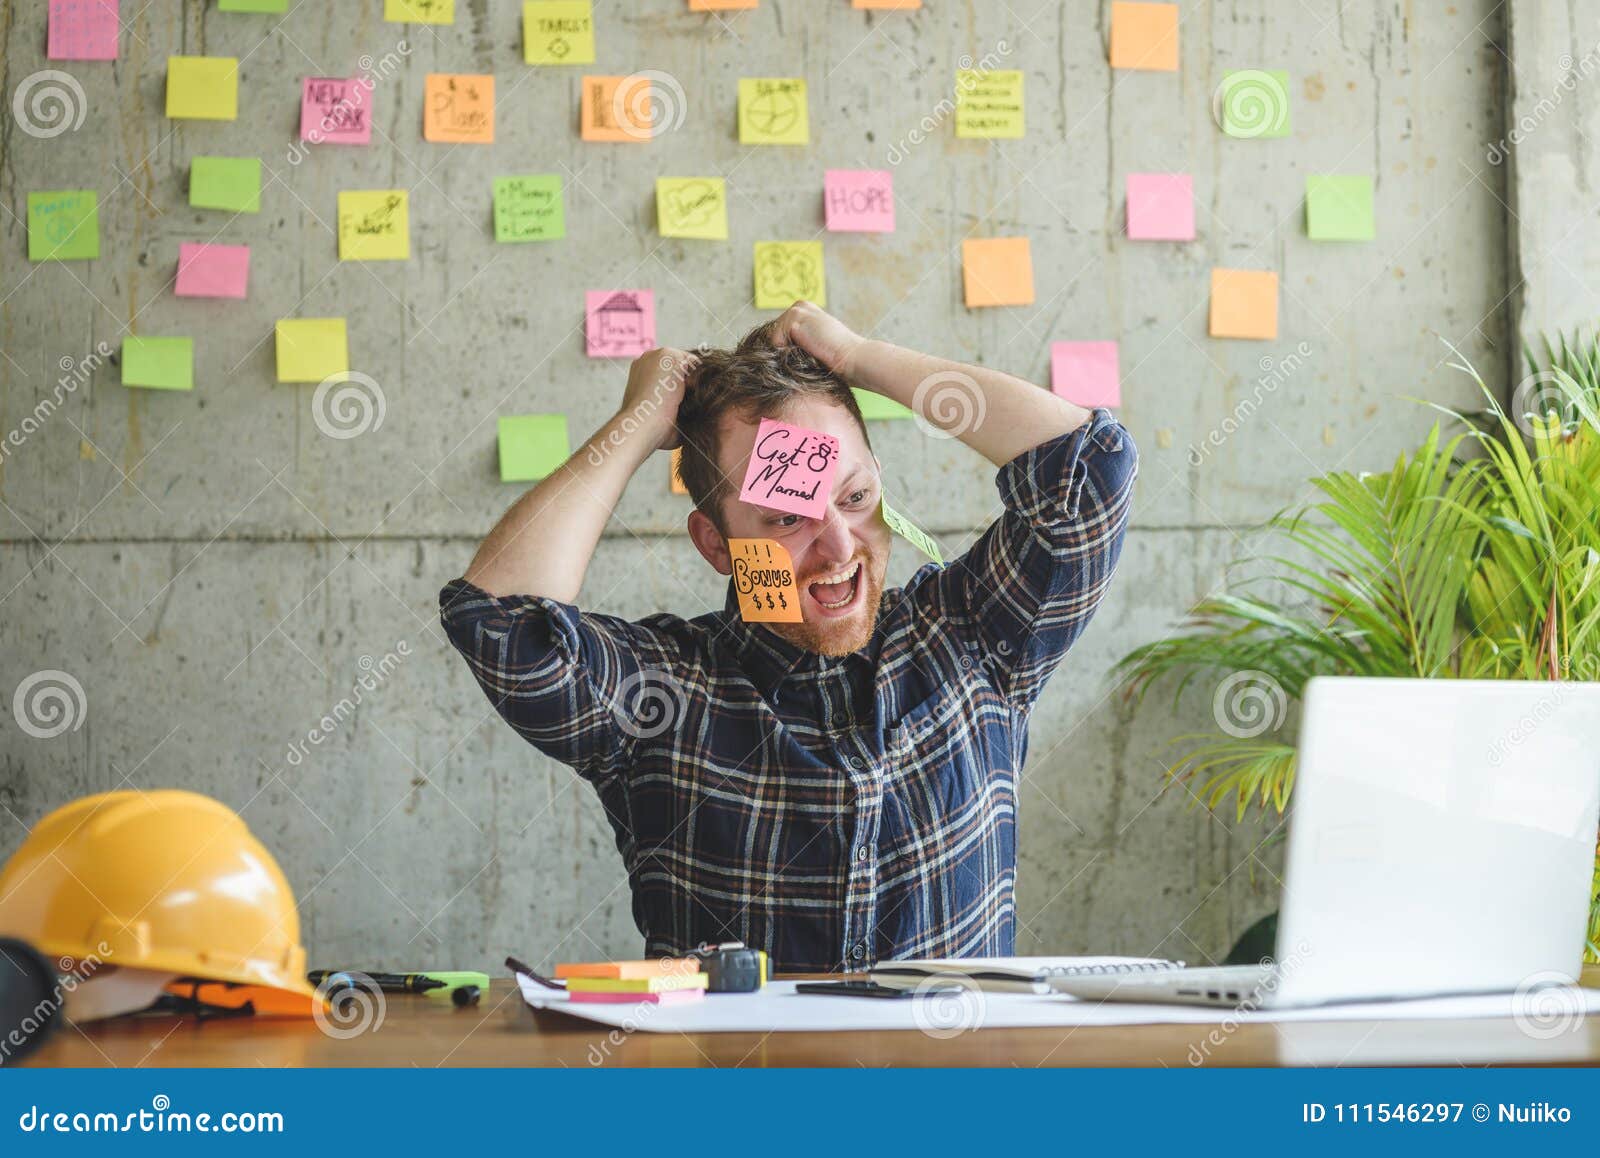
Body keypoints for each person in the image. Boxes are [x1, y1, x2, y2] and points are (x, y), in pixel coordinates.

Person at [440, 302, 1137, 971]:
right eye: (784, 519)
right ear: (716, 544)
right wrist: (641, 422)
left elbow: (1091, 466)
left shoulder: (973, 638)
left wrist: (859, 359)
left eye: (856, 499)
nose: (838, 548)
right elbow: (502, 624)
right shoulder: (664, 695)